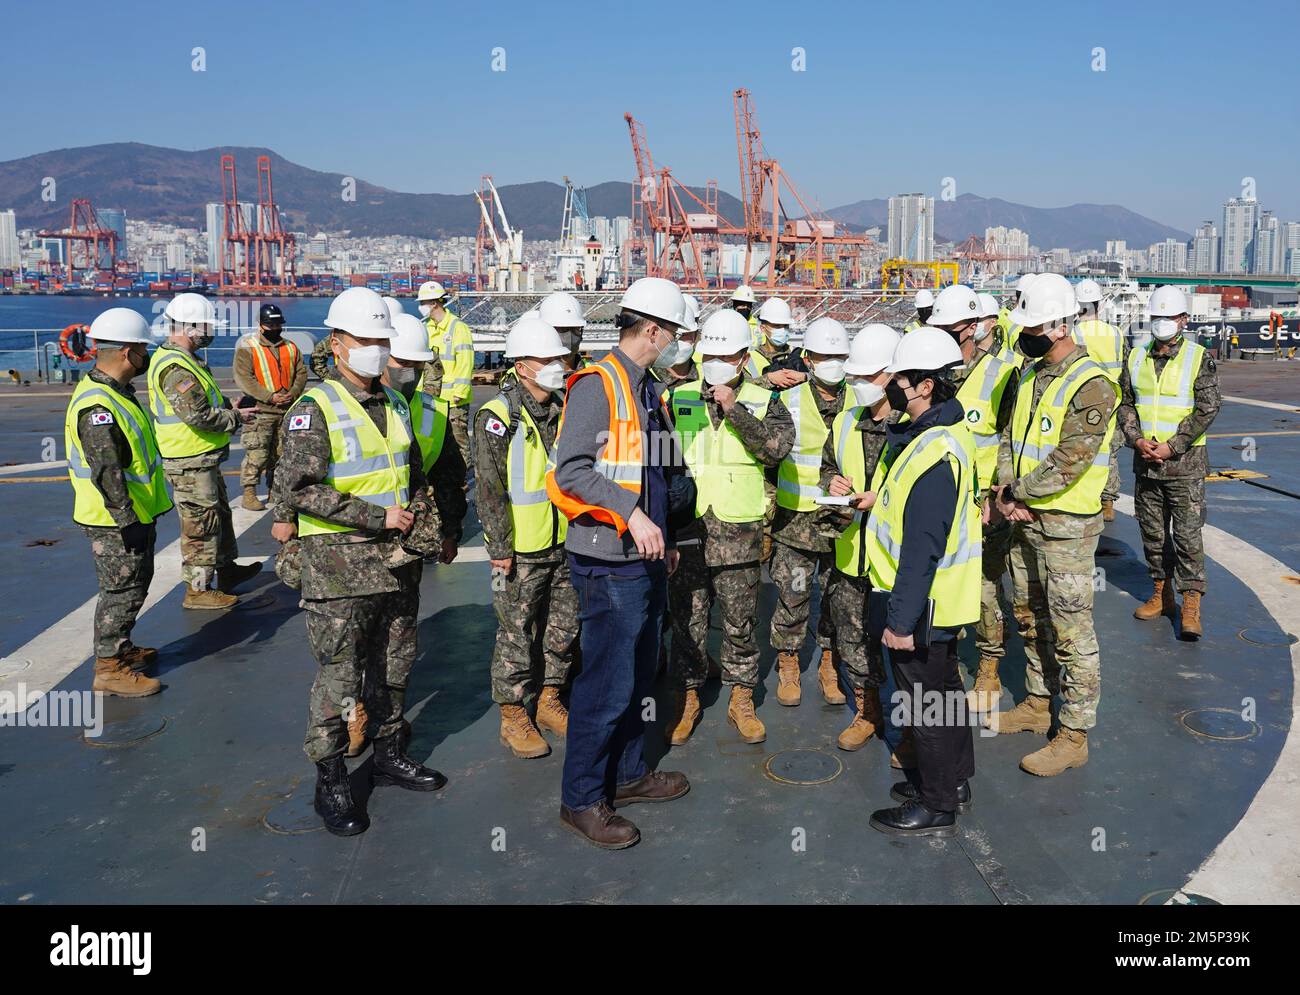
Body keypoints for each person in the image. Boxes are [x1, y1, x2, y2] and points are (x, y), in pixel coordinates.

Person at [274, 287, 448, 837]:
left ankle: (390, 752)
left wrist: (428, 527)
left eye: (381, 340)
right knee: (340, 676)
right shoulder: (314, 409)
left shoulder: (395, 403)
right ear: (338, 343)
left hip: (397, 563)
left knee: (396, 663)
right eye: (365, 340)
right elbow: (299, 489)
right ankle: (331, 776)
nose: (375, 349)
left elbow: (412, 475)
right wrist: (378, 518)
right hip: (339, 569)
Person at [546, 276, 692, 849]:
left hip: (646, 558)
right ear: (652, 330)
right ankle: (581, 799)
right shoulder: (598, 387)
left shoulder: (645, 388)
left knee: (635, 677)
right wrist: (632, 515)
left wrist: (667, 534)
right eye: (674, 332)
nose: (678, 342)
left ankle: (629, 774)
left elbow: (653, 472)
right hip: (609, 563)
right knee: (606, 684)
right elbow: (572, 471)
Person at [986, 273, 1118, 777]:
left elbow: (1071, 459)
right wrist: (1006, 490)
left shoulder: (1093, 385)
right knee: (1028, 614)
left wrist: (1015, 493)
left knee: (1071, 628)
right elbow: (1007, 439)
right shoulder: (1029, 375)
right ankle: (1038, 702)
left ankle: (1074, 733)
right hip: (1026, 517)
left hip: (1066, 525)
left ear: (1062, 325)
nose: (1027, 334)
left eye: (1035, 325)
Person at [858, 328, 980, 838]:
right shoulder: (940, 436)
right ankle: (953, 781)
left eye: (899, 380)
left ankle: (935, 804)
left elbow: (922, 546)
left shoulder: (934, 452)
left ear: (926, 385)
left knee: (927, 703)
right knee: (947, 690)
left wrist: (901, 620)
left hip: (923, 605)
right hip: (942, 603)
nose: (891, 387)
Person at [663, 309, 794, 744]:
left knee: (740, 622)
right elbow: (658, 459)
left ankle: (742, 699)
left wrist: (735, 410)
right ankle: (688, 697)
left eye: (726, 355)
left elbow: (776, 450)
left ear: (742, 358)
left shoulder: (763, 400)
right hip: (689, 531)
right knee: (688, 619)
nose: (716, 362)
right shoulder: (677, 398)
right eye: (711, 353)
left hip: (739, 530)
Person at [476, 317, 580, 759]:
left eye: (559, 357)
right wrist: (500, 551)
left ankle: (551, 697)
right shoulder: (497, 418)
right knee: (516, 630)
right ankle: (514, 714)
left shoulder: (564, 407)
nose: (558, 365)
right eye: (548, 359)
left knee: (563, 624)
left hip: (565, 539)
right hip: (520, 548)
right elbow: (488, 488)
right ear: (522, 367)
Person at [64, 308, 172, 698]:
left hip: (131, 513)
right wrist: (127, 520)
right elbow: (107, 471)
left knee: (135, 584)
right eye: (143, 349)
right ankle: (108, 667)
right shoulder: (99, 406)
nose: (147, 356)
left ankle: (121, 647)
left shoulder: (114, 392)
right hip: (113, 520)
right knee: (121, 590)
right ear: (128, 352)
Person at [926, 285, 1019, 712]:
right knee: (936, 584)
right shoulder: (927, 373)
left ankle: (988, 667)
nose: (944, 334)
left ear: (972, 327)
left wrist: (994, 495)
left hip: (982, 506)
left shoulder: (1002, 374)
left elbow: (1010, 441)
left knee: (984, 590)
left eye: (951, 328)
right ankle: (941, 662)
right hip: (937, 500)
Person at [1118, 285, 1221, 640]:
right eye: (1157, 318)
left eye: (1170, 317)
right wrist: (1137, 439)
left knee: (1188, 535)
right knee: (1152, 533)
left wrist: (1173, 446)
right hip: (1146, 463)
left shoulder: (1198, 358)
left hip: (1185, 465)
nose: (1163, 324)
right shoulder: (1135, 357)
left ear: (1183, 319)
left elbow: (1208, 408)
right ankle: (1161, 594)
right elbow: (1125, 404)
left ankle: (1190, 602)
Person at [146, 292, 261, 609]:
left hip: (202, 459)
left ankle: (226, 570)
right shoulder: (175, 367)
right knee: (201, 526)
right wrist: (235, 417)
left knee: (218, 517)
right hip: (189, 462)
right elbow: (197, 415)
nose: (211, 332)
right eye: (207, 325)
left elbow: (205, 403)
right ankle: (197, 590)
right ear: (190, 326)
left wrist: (228, 406)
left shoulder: (187, 361)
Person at [821, 323, 900, 751]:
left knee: (905, 648)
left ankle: (908, 731)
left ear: (891, 374)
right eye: (858, 378)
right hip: (853, 552)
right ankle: (868, 710)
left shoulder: (910, 426)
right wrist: (833, 481)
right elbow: (827, 466)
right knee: (853, 636)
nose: (860, 386)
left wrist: (881, 501)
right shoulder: (847, 422)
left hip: (895, 559)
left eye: (869, 377)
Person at [769, 317, 851, 708]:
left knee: (836, 596)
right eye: (825, 355)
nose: (833, 363)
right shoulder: (787, 399)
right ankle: (788, 661)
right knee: (794, 593)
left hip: (842, 522)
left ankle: (829, 662)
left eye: (839, 356)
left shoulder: (860, 399)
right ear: (807, 359)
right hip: (797, 521)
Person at [232, 303, 307, 511]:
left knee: (282, 453)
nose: (274, 328)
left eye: (277, 324)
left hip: (286, 410)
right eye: (270, 325)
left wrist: (293, 393)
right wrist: (269, 396)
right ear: (261, 325)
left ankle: (275, 489)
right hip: (261, 411)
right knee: (257, 454)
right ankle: (249, 493)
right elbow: (244, 378)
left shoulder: (290, 347)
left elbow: (301, 372)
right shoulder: (248, 347)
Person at [1074, 278, 1126, 522]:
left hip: (1080, 402)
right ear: (1099, 305)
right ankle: (1107, 502)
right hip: (1111, 402)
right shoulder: (1115, 334)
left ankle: (1084, 494)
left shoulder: (1072, 333)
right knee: (1108, 452)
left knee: (1078, 448)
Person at [418, 280, 475, 473]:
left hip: (453, 401)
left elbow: (465, 361)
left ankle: (464, 483)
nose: (421, 307)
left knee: (459, 446)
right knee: (434, 444)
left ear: (434, 303)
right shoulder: (427, 329)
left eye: (423, 302)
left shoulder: (457, 328)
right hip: (431, 399)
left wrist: (460, 391)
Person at [752, 297, 807, 389]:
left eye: (785, 326)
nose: (782, 330)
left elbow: (821, 381)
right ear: (763, 328)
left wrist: (805, 377)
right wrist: (768, 379)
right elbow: (743, 389)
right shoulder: (751, 360)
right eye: (777, 326)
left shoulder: (800, 354)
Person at [539, 291, 588, 371]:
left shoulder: (590, 375)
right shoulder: (532, 375)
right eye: (562, 329)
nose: (570, 337)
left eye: (575, 329)